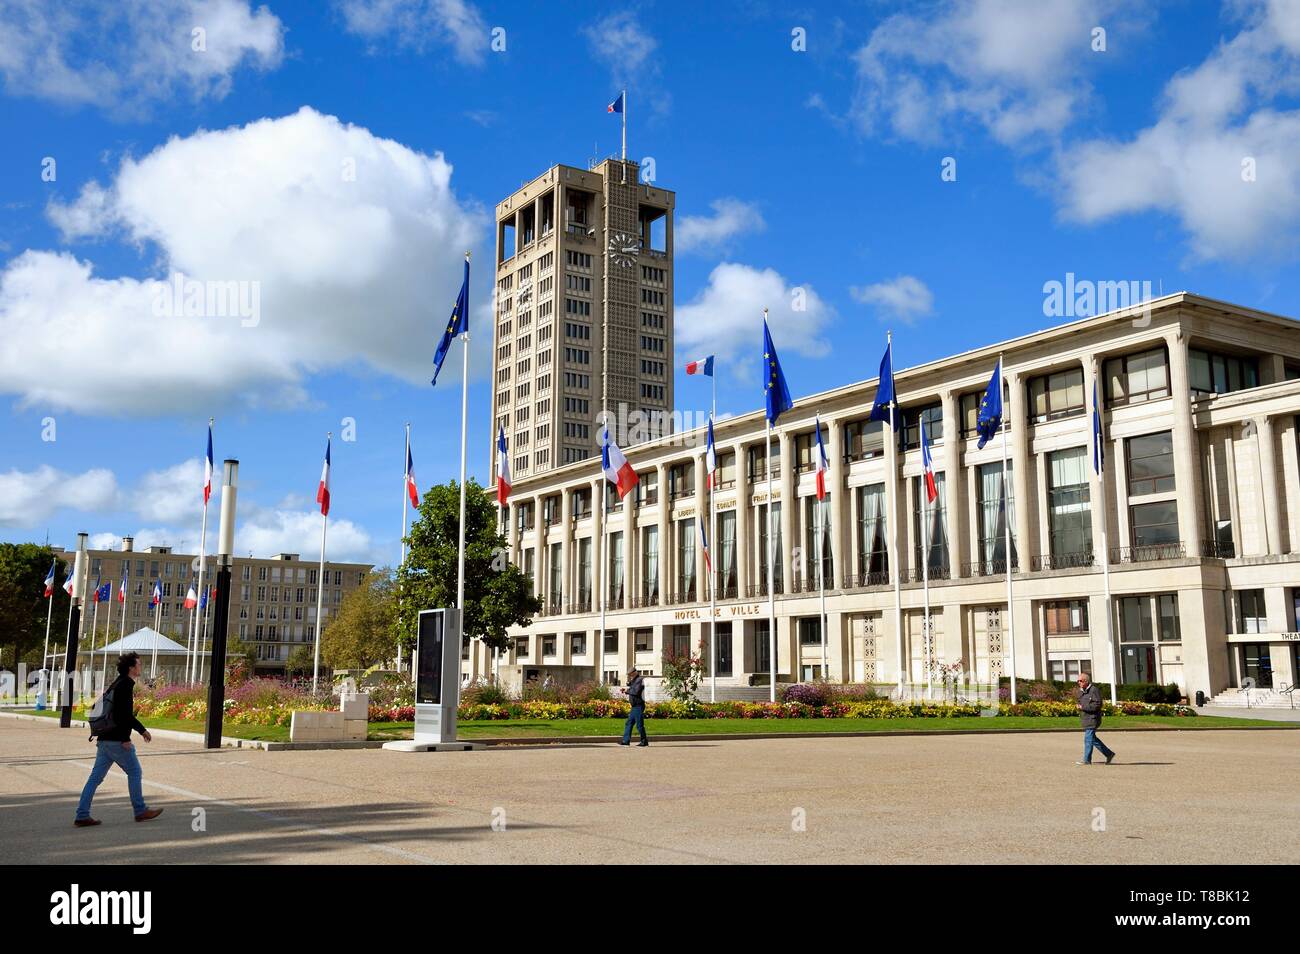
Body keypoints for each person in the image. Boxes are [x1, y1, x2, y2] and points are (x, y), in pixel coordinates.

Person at [74, 652, 163, 826]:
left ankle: (82, 814)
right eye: (138, 664)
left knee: (94, 778)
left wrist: (140, 730)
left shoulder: (116, 683)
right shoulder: (125, 685)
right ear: (131, 668)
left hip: (104, 739)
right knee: (135, 772)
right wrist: (130, 736)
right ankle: (140, 810)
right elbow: (124, 716)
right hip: (116, 740)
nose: (141, 667)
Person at [1075, 671, 1116, 765]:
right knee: (1092, 739)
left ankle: (1086, 760)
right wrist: (1079, 705)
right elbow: (1080, 701)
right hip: (1085, 718)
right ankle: (1109, 754)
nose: (1079, 682)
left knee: (1088, 739)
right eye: (1078, 681)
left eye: (1080, 681)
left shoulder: (1094, 690)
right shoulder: (1081, 691)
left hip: (1093, 718)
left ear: (1086, 681)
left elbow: (1097, 705)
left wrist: (1083, 707)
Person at [619, 668, 648, 747]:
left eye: (630, 674)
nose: (630, 676)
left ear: (635, 672)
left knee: (639, 725)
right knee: (629, 723)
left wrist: (627, 691)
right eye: (629, 675)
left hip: (639, 705)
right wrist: (626, 689)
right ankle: (626, 741)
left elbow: (636, 692)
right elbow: (632, 689)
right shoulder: (634, 681)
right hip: (634, 706)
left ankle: (644, 741)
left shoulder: (639, 680)